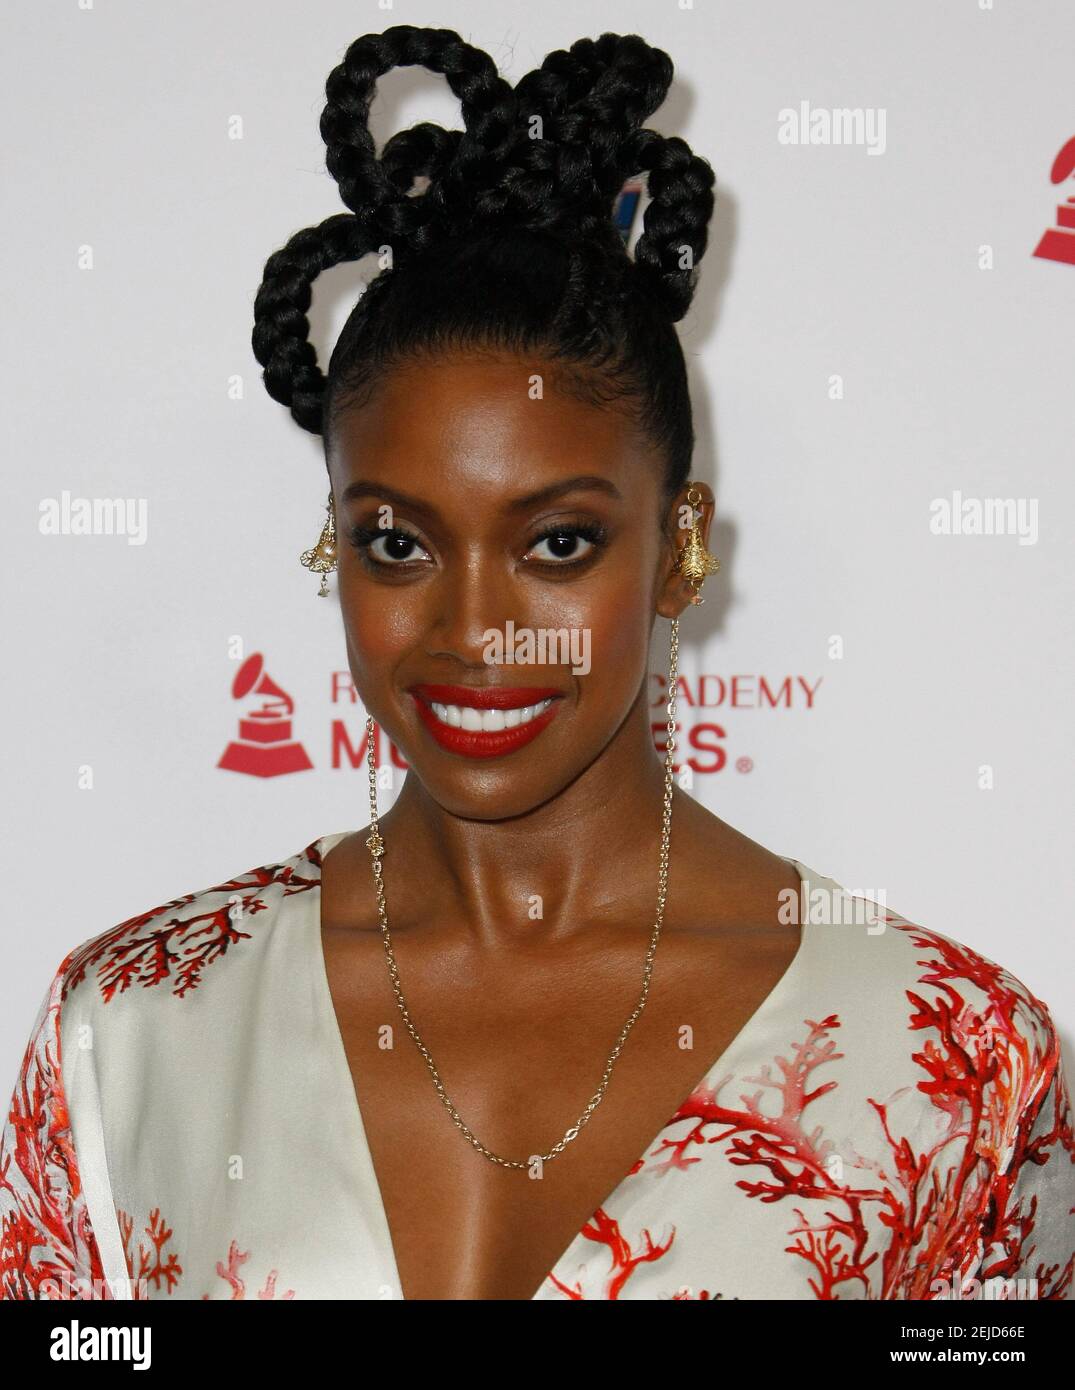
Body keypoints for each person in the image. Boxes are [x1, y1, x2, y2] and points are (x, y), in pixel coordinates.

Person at [2, 24, 1072, 1303]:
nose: (473, 631)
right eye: (396, 541)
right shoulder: (129, 1032)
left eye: (557, 541)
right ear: (330, 541)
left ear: (680, 548)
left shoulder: (952, 1063)